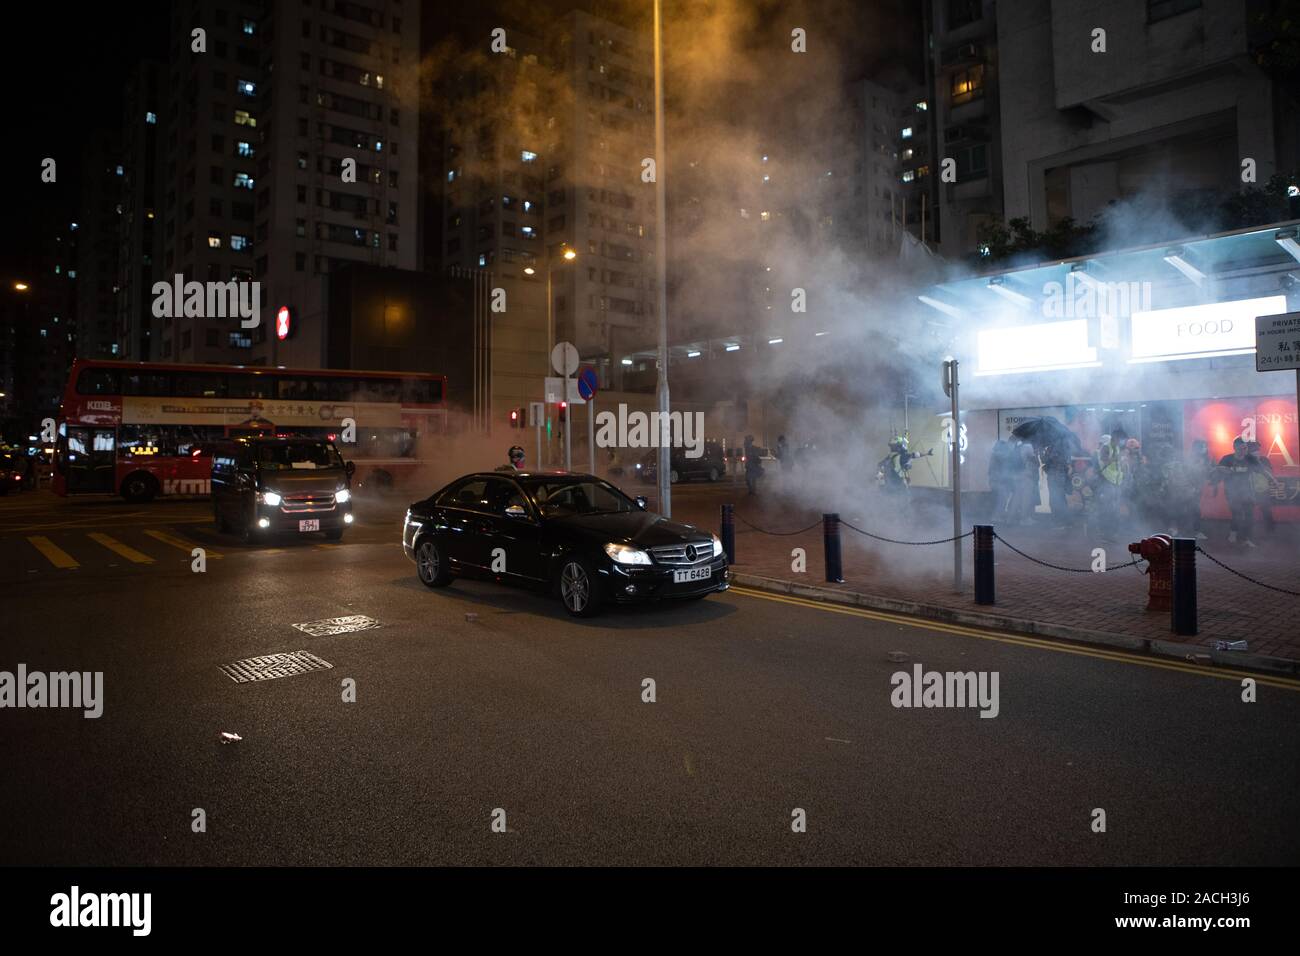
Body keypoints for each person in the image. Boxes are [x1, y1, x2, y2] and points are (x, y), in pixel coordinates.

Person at [1212, 437, 1263, 548]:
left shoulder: (1250, 458)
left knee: (1249, 515)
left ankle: (1246, 538)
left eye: (1245, 448)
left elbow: (1261, 470)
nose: (1244, 450)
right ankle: (1233, 533)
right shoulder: (1227, 458)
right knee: (1237, 514)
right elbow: (1218, 471)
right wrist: (1215, 484)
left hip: (1247, 491)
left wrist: (1257, 461)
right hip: (1231, 491)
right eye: (1241, 448)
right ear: (1234, 447)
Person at [1248, 441, 1277, 537]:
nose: (1256, 452)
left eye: (1257, 450)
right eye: (1253, 450)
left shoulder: (1264, 460)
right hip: (1251, 490)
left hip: (1264, 490)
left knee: (1266, 511)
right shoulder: (1246, 461)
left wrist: (1258, 463)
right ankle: (1249, 533)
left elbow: (1269, 472)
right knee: (1249, 512)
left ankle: (1270, 531)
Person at [987, 439, 1017, 519]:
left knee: (1001, 500)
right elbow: (1005, 459)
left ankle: (997, 515)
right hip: (998, 481)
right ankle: (996, 516)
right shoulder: (997, 455)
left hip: (996, 480)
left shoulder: (995, 454)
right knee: (1002, 500)